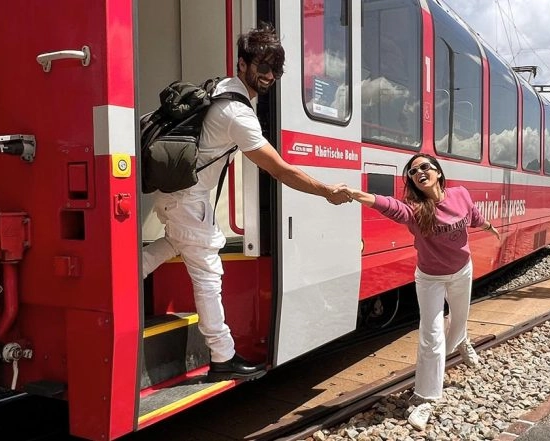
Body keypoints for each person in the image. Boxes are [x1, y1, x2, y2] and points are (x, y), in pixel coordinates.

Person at [142, 23, 350, 380]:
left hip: (181, 198)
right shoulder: (237, 113)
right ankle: (223, 358)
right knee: (209, 273)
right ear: (243, 64)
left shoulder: (224, 88)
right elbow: (281, 170)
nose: (270, 75)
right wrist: (326, 191)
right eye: (263, 66)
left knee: (175, 243)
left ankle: (117, 281)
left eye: (276, 69)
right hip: (187, 200)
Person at [343, 153, 500, 431]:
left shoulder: (460, 194)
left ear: (438, 172)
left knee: (460, 320)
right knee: (431, 336)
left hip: (462, 270)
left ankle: (462, 341)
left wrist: (489, 227)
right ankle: (427, 396)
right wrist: (358, 195)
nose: (419, 173)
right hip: (430, 278)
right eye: (413, 172)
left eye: (424, 167)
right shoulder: (416, 209)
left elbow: (474, 216)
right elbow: (391, 207)